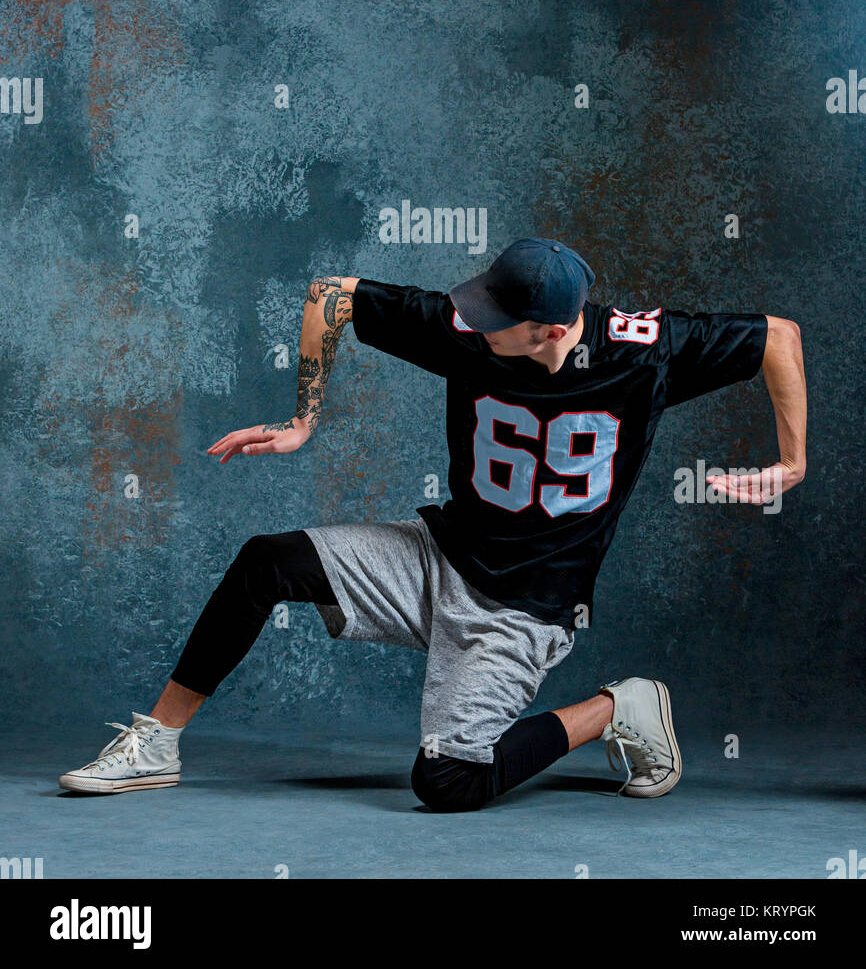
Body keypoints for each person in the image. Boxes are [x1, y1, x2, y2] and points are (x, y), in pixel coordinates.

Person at [59, 237, 807, 812]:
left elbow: (779, 337)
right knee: (267, 560)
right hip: (437, 559)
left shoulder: (646, 352)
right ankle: (157, 744)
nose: (474, 326)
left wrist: (791, 462)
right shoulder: (464, 331)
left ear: (549, 331)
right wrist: (301, 419)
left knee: (449, 780)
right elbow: (332, 296)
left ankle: (620, 706)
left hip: (526, 608)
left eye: (497, 322)